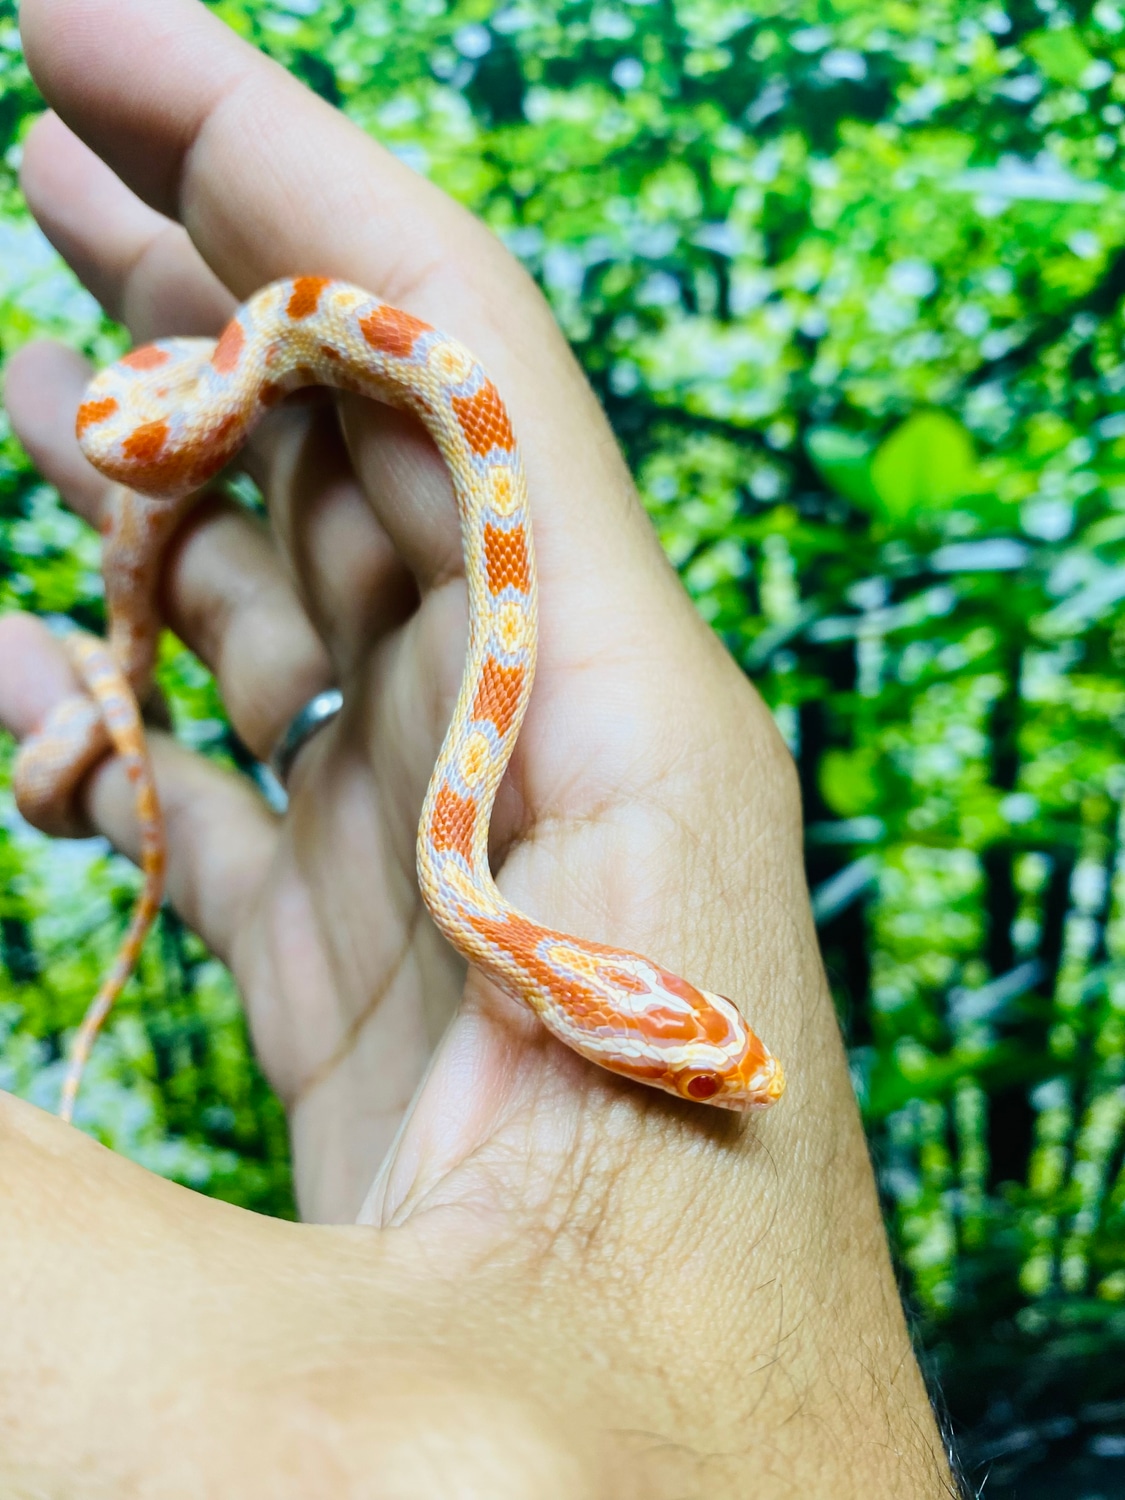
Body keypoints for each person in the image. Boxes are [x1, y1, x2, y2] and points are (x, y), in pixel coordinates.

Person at [0, 0, 962, 1493]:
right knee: (133, 463)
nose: (722, 1092)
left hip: (257, 387)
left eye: (695, 1077)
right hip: (242, 373)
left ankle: (114, 690)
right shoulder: (474, 891)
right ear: (602, 1006)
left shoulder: (477, 890)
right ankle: (113, 682)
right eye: (697, 1078)